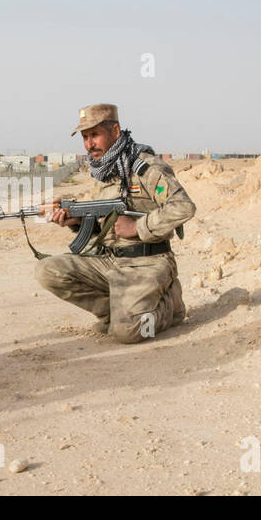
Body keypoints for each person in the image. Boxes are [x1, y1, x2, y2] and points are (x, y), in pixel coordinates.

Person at [35, 104, 195, 343]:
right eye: (85, 137)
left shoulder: (144, 167)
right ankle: (114, 313)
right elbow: (107, 225)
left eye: (95, 135)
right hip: (112, 260)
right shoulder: (103, 172)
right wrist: (77, 221)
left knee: (128, 333)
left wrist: (137, 228)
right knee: (47, 270)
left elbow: (183, 206)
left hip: (148, 261)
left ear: (116, 131)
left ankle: (170, 307)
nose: (90, 144)